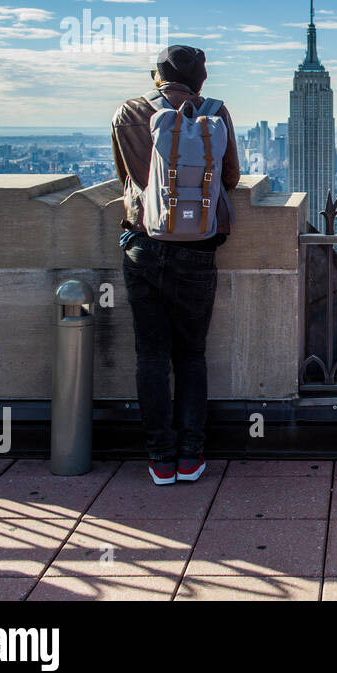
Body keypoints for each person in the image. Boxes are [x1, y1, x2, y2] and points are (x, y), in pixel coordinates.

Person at [111, 45, 240, 486]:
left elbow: (125, 178)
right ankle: (191, 456)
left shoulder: (129, 112)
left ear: (156, 76)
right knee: (191, 353)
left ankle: (160, 459)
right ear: (200, 79)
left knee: (150, 354)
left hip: (143, 244)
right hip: (199, 247)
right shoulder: (216, 113)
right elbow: (231, 178)